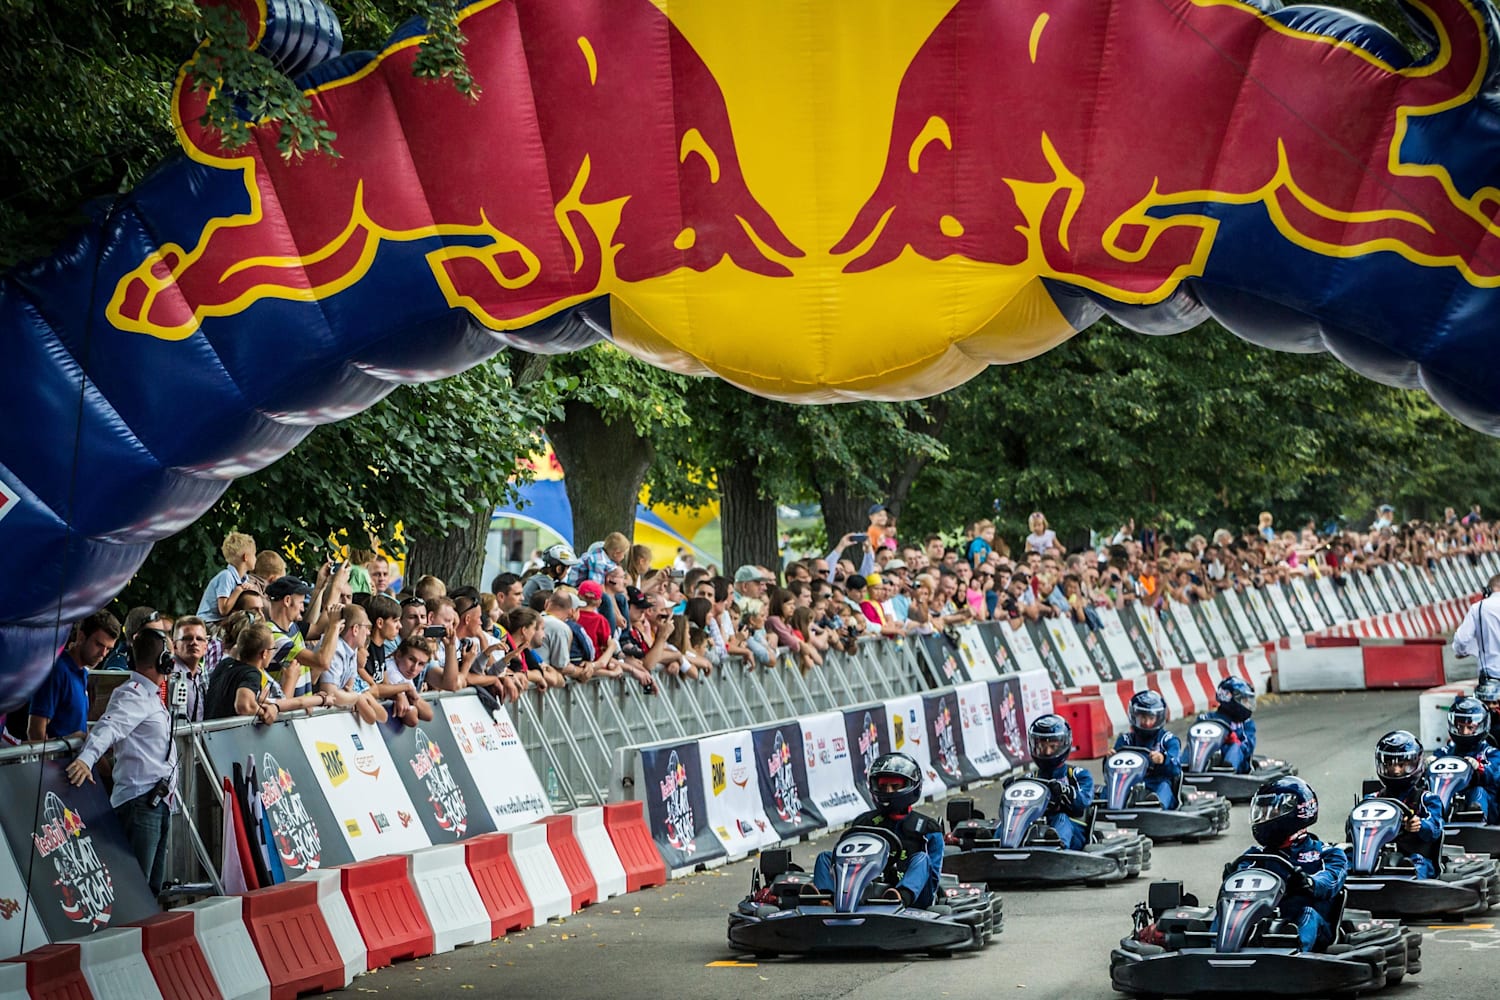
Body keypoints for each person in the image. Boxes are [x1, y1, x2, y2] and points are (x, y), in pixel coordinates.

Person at [65, 628, 179, 896]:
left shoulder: (150, 696)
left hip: (156, 801)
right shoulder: (133, 693)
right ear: (163, 660)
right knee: (136, 892)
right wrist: (87, 758)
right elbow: (109, 726)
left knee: (151, 889)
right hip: (140, 803)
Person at [1221, 776, 1348, 953]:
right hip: (1265, 922)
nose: (1263, 818)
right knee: (1226, 908)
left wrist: (1309, 882)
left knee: (1308, 914)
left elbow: (1329, 881)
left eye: (1270, 812)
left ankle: (1293, 953)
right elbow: (1240, 882)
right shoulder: (1255, 855)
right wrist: (1232, 877)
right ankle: (1212, 947)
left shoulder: (1328, 854)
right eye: (1261, 811)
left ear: (1298, 811)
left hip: (1312, 928)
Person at [811, 753, 943, 908]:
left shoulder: (927, 828)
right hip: (866, 886)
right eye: (882, 786)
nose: (887, 791)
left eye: (895, 786)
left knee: (922, 859)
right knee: (825, 857)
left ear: (911, 785)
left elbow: (933, 879)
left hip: (914, 896)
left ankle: (899, 897)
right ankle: (826, 898)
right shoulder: (864, 822)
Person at [28, 610, 120, 741]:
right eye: (99, 644)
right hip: (56, 760)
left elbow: (77, 728)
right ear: (81, 637)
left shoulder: (82, 672)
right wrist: (70, 741)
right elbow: (35, 731)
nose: (103, 654)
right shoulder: (57, 670)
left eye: (109, 649)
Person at [1368, 730, 1444, 880]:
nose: (1395, 770)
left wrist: (1420, 824)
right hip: (1379, 856)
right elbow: (1351, 830)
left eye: (1401, 765)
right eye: (1390, 764)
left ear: (1414, 764)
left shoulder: (1427, 798)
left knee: (1415, 864)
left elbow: (1435, 828)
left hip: (1415, 856)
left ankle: (1410, 891)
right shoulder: (1372, 800)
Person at [1011, 715, 1094, 851]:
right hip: (1035, 827)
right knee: (1013, 821)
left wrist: (1065, 791)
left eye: (1052, 746)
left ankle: (1057, 847)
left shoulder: (1079, 775)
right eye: (1042, 746)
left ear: (1064, 744)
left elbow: (1084, 801)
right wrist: (1012, 787)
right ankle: (996, 843)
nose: (1047, 752)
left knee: (1061, 819)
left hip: (1073, 829)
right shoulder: (1029, 778)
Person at [1115, 690, 1182, 809]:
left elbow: (1176, 768)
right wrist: (1110, 759)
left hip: (1156, 782)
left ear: (1158, 718)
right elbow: (1109, 774)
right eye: (1142, 717)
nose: (1146, 722)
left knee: (1164, 788)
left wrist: (1163, 759)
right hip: (1128, 783)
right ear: (1134, 716)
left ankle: (1155, 806)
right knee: (1108, 789)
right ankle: (1105, 807)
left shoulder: (1168, 740)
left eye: (1150, 718)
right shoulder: (1125, 740)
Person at [1440, 697, 1500, 823]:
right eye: (1460, 727)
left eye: (1469, 727)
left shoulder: (1491, 752)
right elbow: (1435, 762)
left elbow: (1494, 774)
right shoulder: (1447, 751)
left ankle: (1476, 821)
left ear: (1480, 726)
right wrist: (1429, 762)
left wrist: (1479, 767)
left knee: (1478, 791)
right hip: (1450, 796)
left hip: (1487, 807)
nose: (1464, 732)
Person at [1193, 676, 1258, 774]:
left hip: (1238, 767)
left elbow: (1247, 749)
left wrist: (1233, 739)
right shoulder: (1207, 718)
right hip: (1208, 756)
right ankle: (1184, 771)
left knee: (1235, 747)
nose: (1248, 705)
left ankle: (1228, 772)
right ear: (1230, 698)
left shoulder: (1247, 724)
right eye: (1244, 701)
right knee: (1193, 745)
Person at [196, 531, 257, 623]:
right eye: (254, 554)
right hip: (208, 622)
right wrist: (239, 590)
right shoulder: (226, 576)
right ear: (246, 557)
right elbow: (223, 610)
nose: (255, 558)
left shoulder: (244, 579)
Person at [1451, 574, 1500, 677]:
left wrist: (1461, 651)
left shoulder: (1479, 608)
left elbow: (1462, 639)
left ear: (1490, 590)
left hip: (1491, 673)